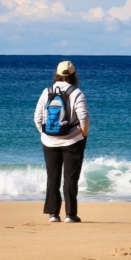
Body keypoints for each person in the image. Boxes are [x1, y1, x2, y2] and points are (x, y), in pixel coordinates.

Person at [33, 60, 89, 223]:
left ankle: (53, 214)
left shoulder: (47, 91)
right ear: (73, 75)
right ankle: (70, 215)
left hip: (49, 141)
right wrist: (82, 134)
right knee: (71, 178)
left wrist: (46, 134)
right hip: (73, 141)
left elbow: (37, 117)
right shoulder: (76, 93)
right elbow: (83, 117)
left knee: (53, 177)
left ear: (57, 74)